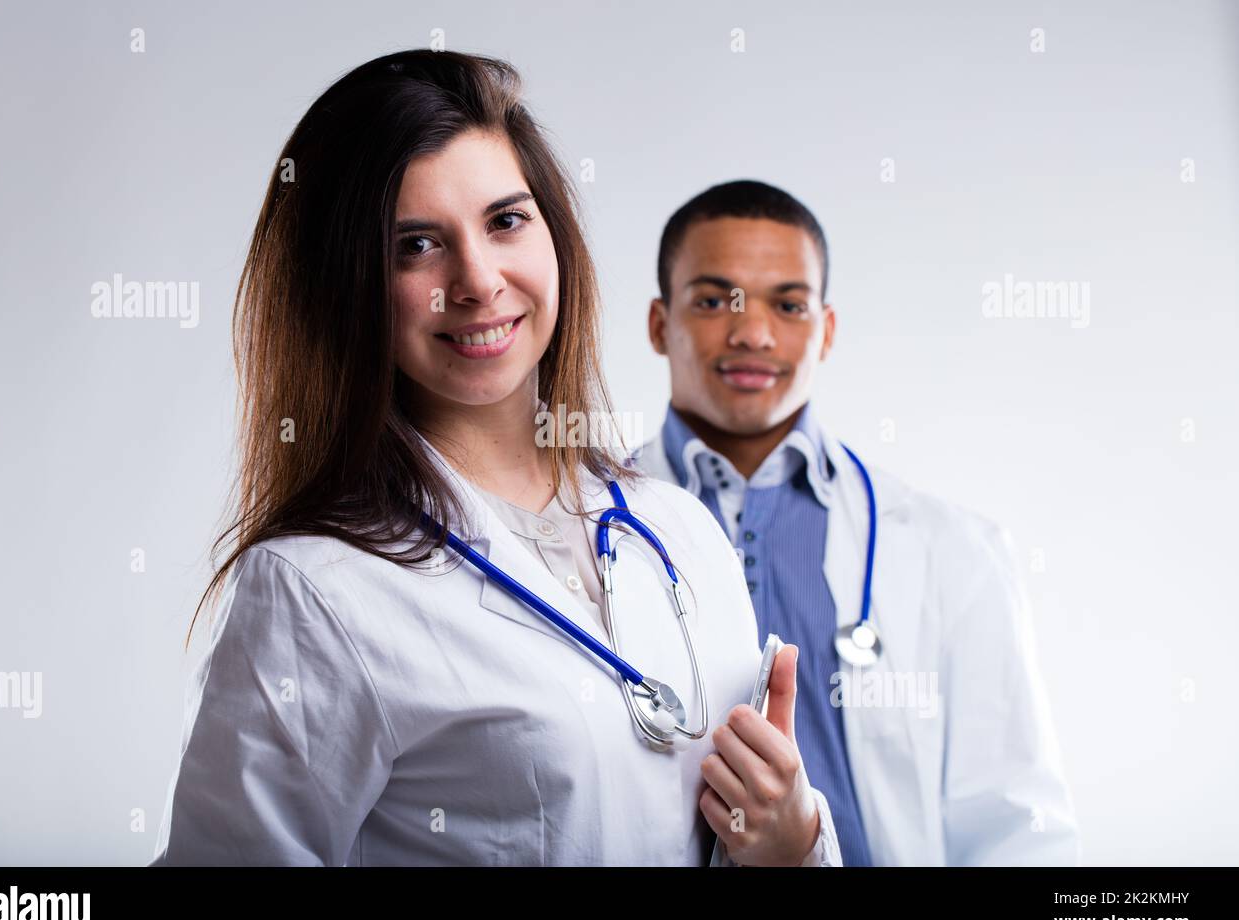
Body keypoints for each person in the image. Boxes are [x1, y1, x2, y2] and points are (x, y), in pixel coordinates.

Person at [150, 55, 842, 867]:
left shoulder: (679, 531)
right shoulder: (314, 591)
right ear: (348, 286)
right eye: (415, 246)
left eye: (506, 221)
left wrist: (793, 843)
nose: (476, 281)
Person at [630, 180, 1079, 865]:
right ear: (660, 324)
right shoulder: (578, 528)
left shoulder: (951, 552)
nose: (753, 332)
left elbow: (1017, 831)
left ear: (827, 329)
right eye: (716, 300)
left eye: (788, 305)